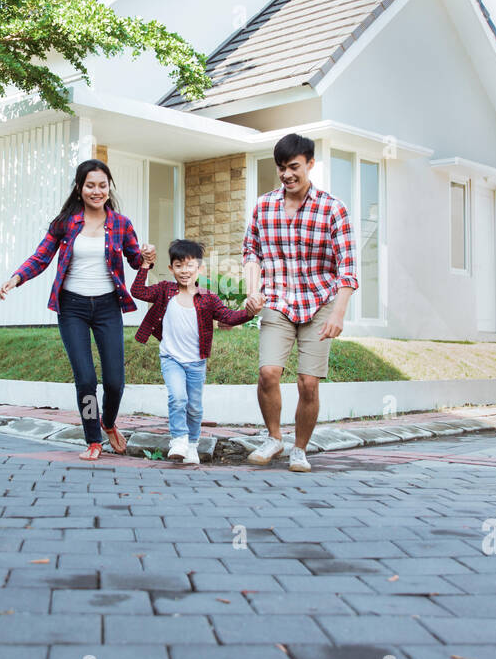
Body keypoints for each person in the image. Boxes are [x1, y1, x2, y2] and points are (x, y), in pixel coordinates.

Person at [0, 159, 152, 461]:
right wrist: (17, 278)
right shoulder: (66, 222)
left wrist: (147, 256)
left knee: (114, 382)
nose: (97, 191)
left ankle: (108, 422)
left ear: (109, 188)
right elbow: (41, 256)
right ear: (80, 189)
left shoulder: (121, 223)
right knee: (85, 379)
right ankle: (93, 438)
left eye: (102, 185)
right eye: (90, 185)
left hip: (108, 307)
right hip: (72, 307)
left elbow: (136, 260)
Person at [241, 133, 357, 471]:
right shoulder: (264, 205)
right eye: (281, 168)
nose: (287, 175)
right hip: (278, 300)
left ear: (310, 164)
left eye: (294, 167)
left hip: (319, 302)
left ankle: (299, 448)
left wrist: (338, 312)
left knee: (308, 382)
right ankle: (274, 438)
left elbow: (347, 270)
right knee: (268, 373)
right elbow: (252, 252)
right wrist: (253, 288)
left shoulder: (333, 209)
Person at [131, 239, 255, 465]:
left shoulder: (208, 299)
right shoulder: (164, 290)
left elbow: (228, 317)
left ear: (200, 269)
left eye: (189, 265)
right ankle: (178, 439)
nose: (184, 271)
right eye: (178, 265)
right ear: (171, 269)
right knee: (177, 398)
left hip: (197, 362)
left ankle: (192, 445)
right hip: (171, 358)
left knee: (195, 407)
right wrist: (145, 265)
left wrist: (249, 312)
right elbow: (138, 291)